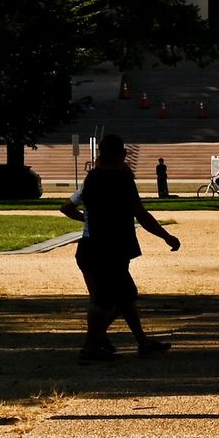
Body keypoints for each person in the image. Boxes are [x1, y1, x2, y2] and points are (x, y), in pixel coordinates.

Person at [63, 134, 180, 362]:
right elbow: (141, 214)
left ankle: (142, 342)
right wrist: (166, 236)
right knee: (103, 299)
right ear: (123, 154)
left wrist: (87, 219)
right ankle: (90, 347)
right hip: (113, 246)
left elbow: (68, 207)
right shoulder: (122, 179)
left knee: (125, 296)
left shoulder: (91, 178)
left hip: (91, 246)